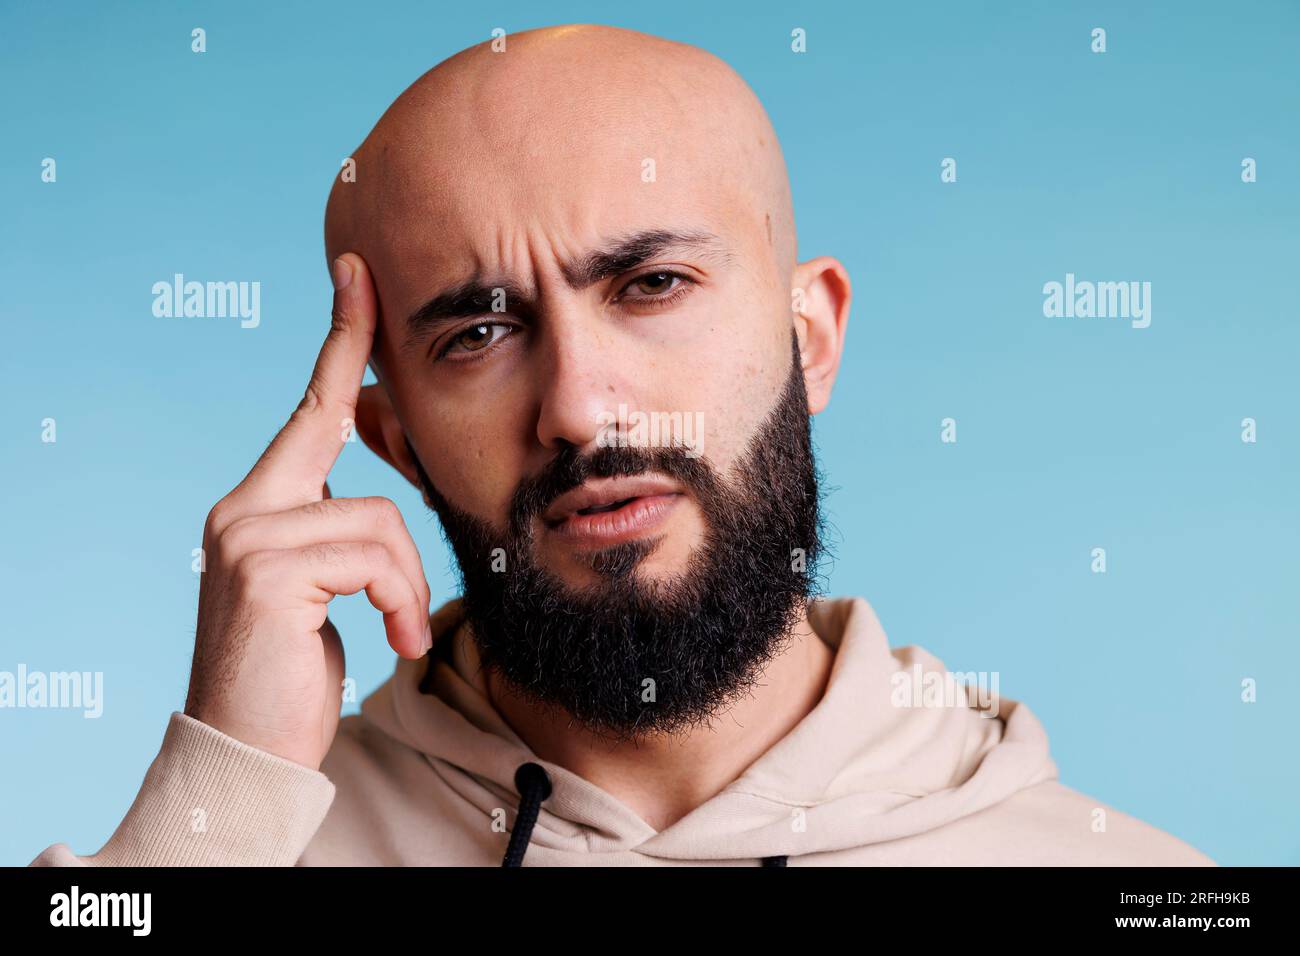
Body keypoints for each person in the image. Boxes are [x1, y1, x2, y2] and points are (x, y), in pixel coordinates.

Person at [31, 23, 1212, 867]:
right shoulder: (246, 840)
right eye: (481, 330)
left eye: (651, 283)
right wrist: (212, 817)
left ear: (811, 337)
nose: (585, 409)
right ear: (391, 441)